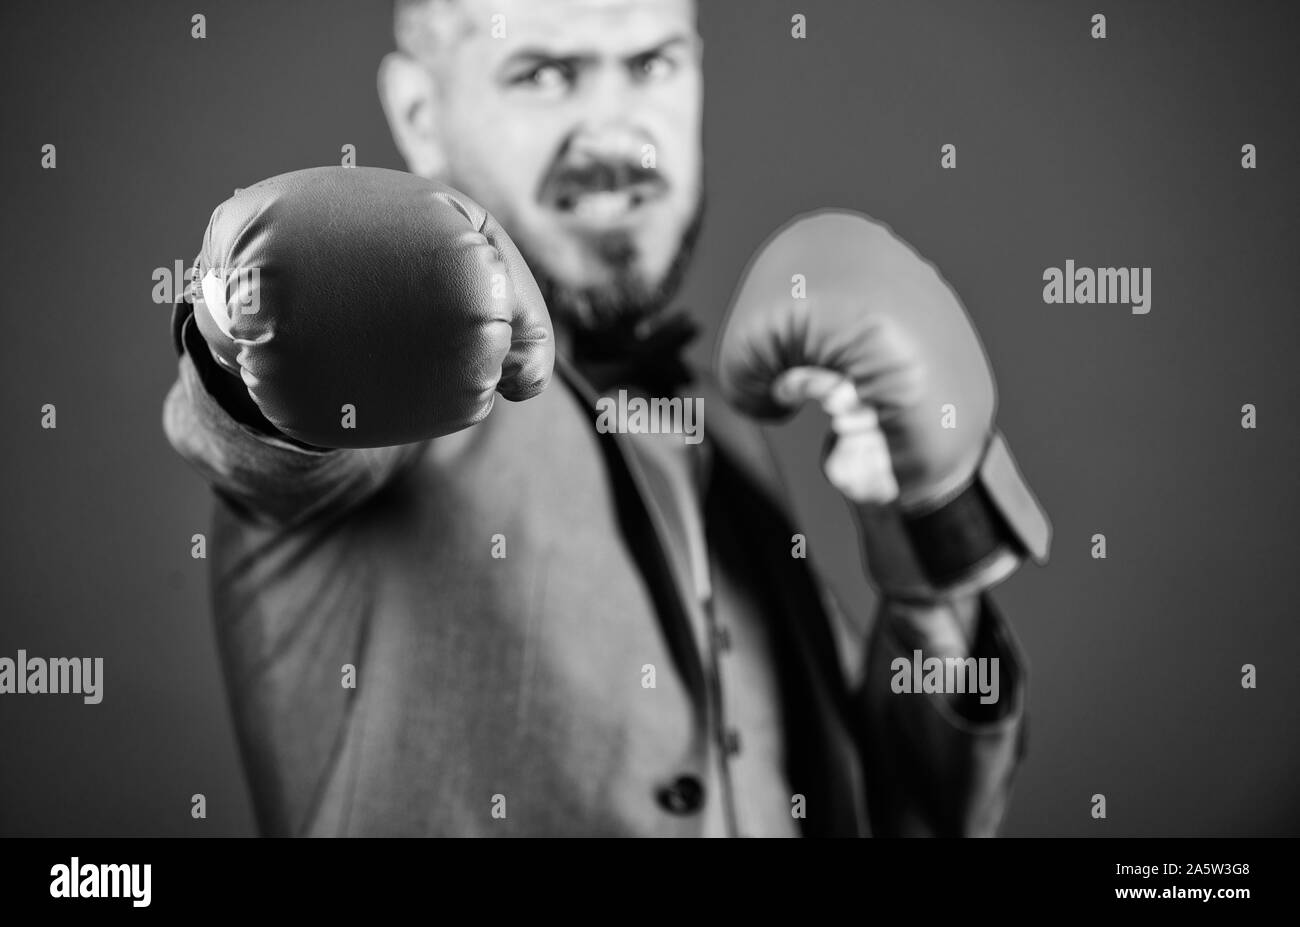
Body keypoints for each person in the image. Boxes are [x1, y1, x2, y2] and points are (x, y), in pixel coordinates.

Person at [162, 0, 1050, 836]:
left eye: (652, 63)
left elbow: (919, 821)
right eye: (545, 74)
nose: (617, 131)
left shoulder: (722, 432)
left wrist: (931, 562)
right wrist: (238, 317)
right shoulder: (383, 400)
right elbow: (254, 432)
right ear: (421, 113)